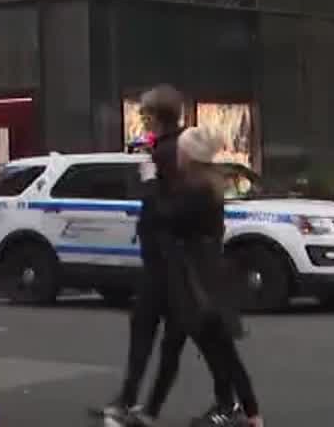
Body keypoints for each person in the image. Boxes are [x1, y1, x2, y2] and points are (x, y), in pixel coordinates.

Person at [139, 126, 260, 427]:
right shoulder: (205, 184)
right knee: (207, 350)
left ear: (189, 156)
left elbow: (166, 218)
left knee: (216, 351)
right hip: (200, 278)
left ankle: (246, 413)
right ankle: (239, 410)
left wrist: (150, 183)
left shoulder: (196, 190)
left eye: (181, 149)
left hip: (195, 282)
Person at [96, 85, 187, 425]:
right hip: (172, 258)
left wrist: (148, 183)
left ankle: (131, 401)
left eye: (145, 113)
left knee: (149, 332)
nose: (142, 118)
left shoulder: (164, 153)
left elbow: (163, 207)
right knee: (170, 338)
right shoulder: (174, 148)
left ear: (156, 116)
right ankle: (144, 406)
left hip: (163, 259)